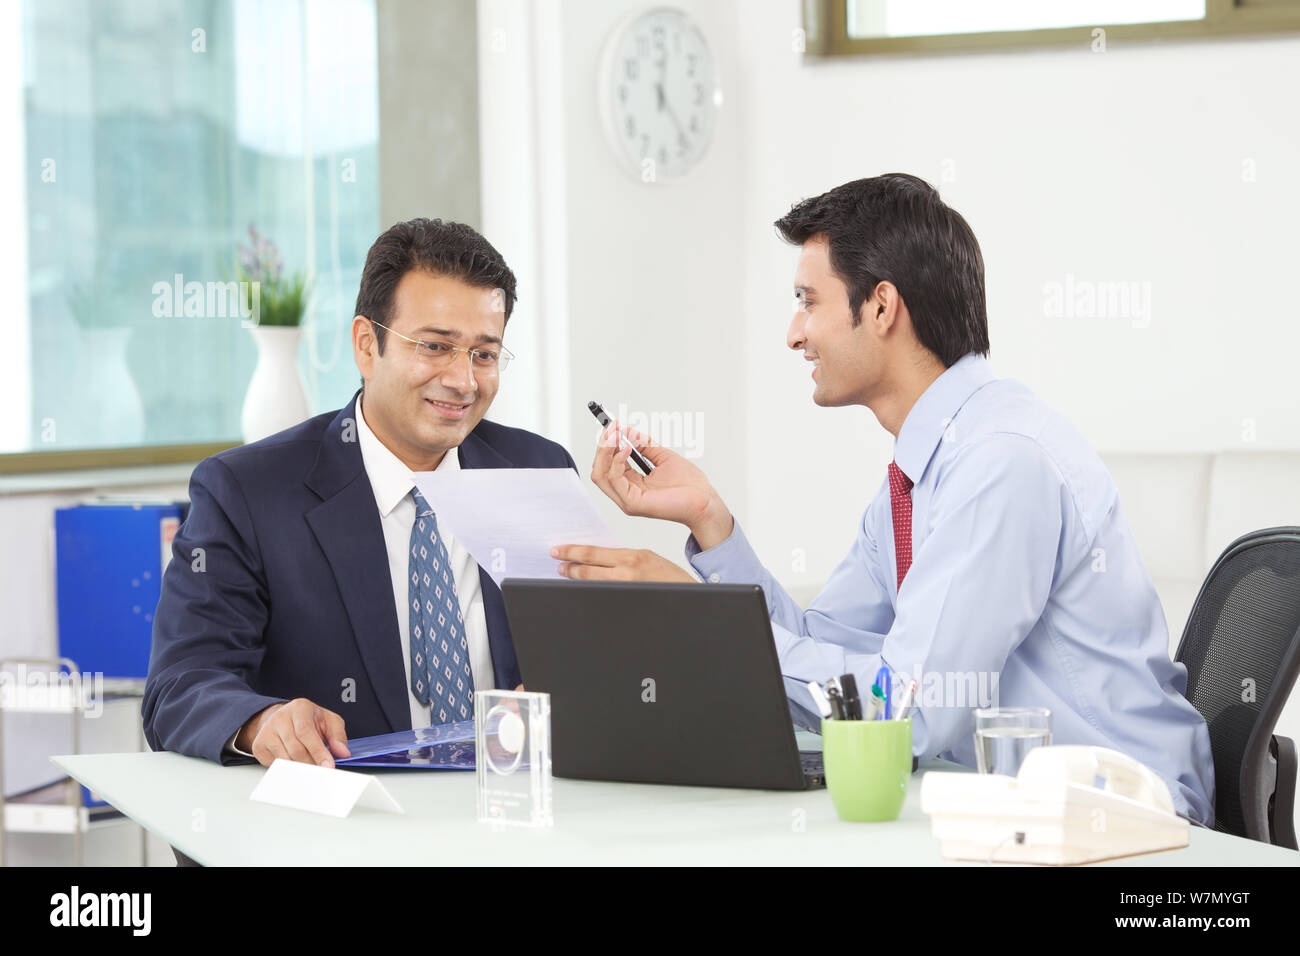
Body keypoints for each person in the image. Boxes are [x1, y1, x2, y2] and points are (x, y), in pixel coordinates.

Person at [552, 174, 1216, 826]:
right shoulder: (922, 471)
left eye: (807, 301)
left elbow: (909, 713)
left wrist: (698, 619)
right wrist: (712, 525)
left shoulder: (1000, 464)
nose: (793, 333)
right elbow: (821, 649)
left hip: (1127, 817)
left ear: (880, 307)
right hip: (1020, 812)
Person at [144, 218, 575, 770]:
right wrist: (261, 722)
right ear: (367, 345)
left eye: (484, 354)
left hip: (512, 817)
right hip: (344, 830)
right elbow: (180, 687)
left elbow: (591, 657)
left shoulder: (536, 471)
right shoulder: (248, 492)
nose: (464, 380)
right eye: (436, 346)